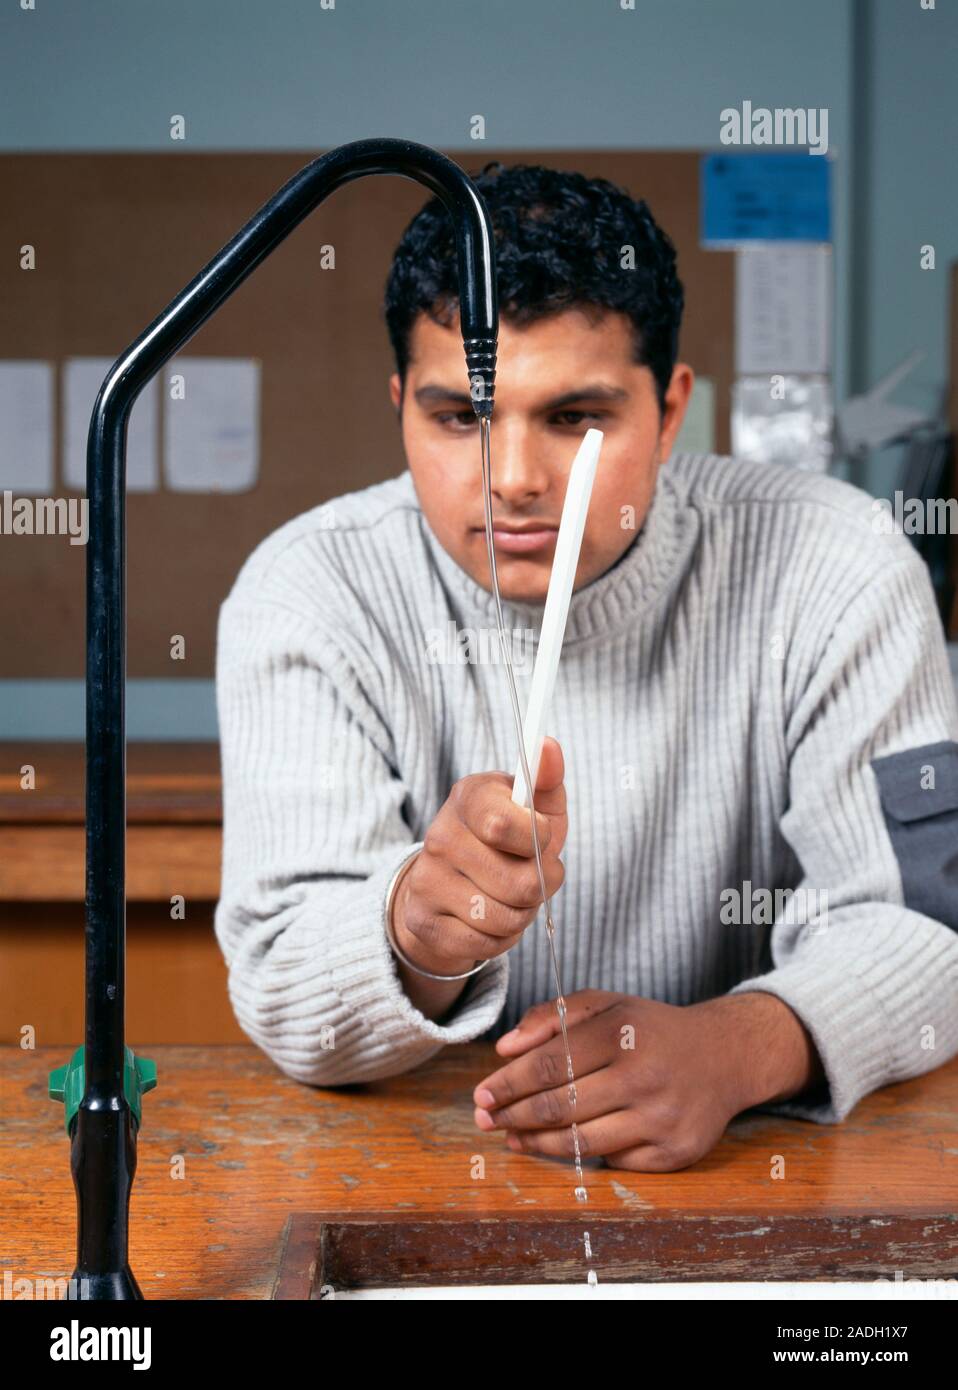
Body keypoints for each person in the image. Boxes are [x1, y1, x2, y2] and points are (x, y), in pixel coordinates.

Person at [213, 163, 958, 1172]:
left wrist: (740, 1048)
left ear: (669, 412)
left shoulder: (837, 563)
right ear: (398, 406)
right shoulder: (307, 589)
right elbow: (284, 986)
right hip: (429, 1171)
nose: (514, 479)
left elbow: (929, 923)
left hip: (753, 1167)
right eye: (458, 416)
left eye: (575, 418)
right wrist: (413, 931)